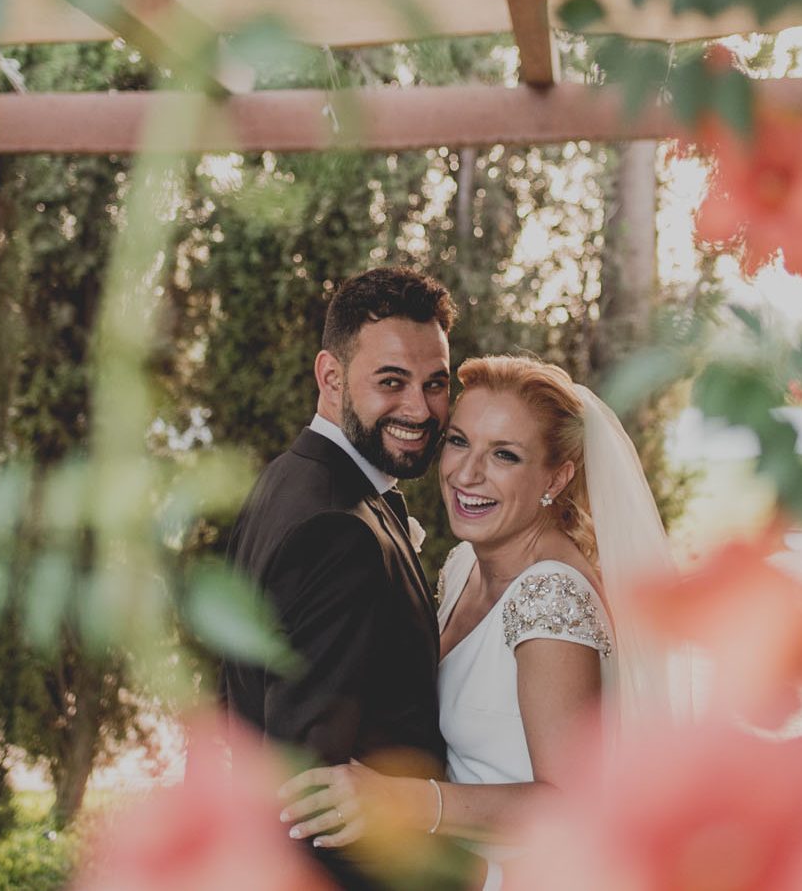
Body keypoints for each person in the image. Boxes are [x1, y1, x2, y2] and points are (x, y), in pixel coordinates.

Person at [278, 354, 685, 890]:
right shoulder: (467, 563)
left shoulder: (550, 596)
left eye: (505, 455)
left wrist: (400, 800)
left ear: (557, 477)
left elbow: (572, 806)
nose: (466, 474)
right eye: (459, 441)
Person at [218, 267, 458, 890]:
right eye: (391, 381)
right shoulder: (337, 531)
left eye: (436, 384)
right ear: (330, 377)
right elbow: (310, 798)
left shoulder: (288, 480)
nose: (420, 408)